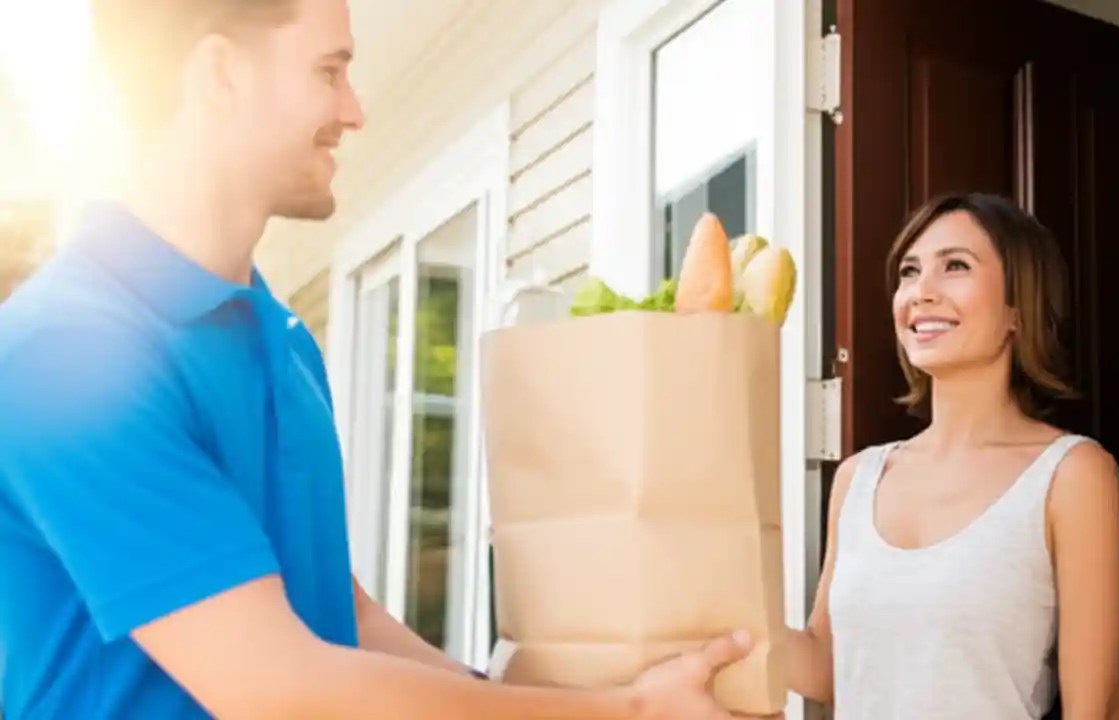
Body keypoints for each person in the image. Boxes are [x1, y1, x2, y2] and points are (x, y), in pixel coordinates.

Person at [0, 1, 760, 718]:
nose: (354, 111)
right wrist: (620, 713)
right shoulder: (65, 353)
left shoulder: (281, 339)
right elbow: (283, 691)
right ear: (220, 77)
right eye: (329, 72)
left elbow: (343, 611)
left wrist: (525, 687)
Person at [785, 192, 1119, 718]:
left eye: (955, 266)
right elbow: (827, 668)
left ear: (1019, 306)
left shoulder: (1072, 474)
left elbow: (1097, 710)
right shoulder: (860, 476)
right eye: (908, 271)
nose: (919, 293)